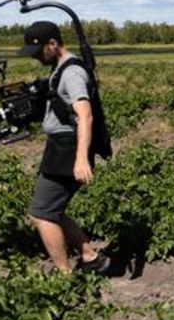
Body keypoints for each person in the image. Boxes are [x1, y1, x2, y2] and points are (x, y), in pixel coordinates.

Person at [21, 21, 109, 274]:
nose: (37, 58)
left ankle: (64, 276)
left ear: (53, 44)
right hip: (60, 149)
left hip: (68, 151)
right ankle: (91, 257)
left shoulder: (71, 73)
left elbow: (85, 115)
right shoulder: (60, 68)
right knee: (53, 209)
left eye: (39, 52)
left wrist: (81, 159)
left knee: (41, 214)